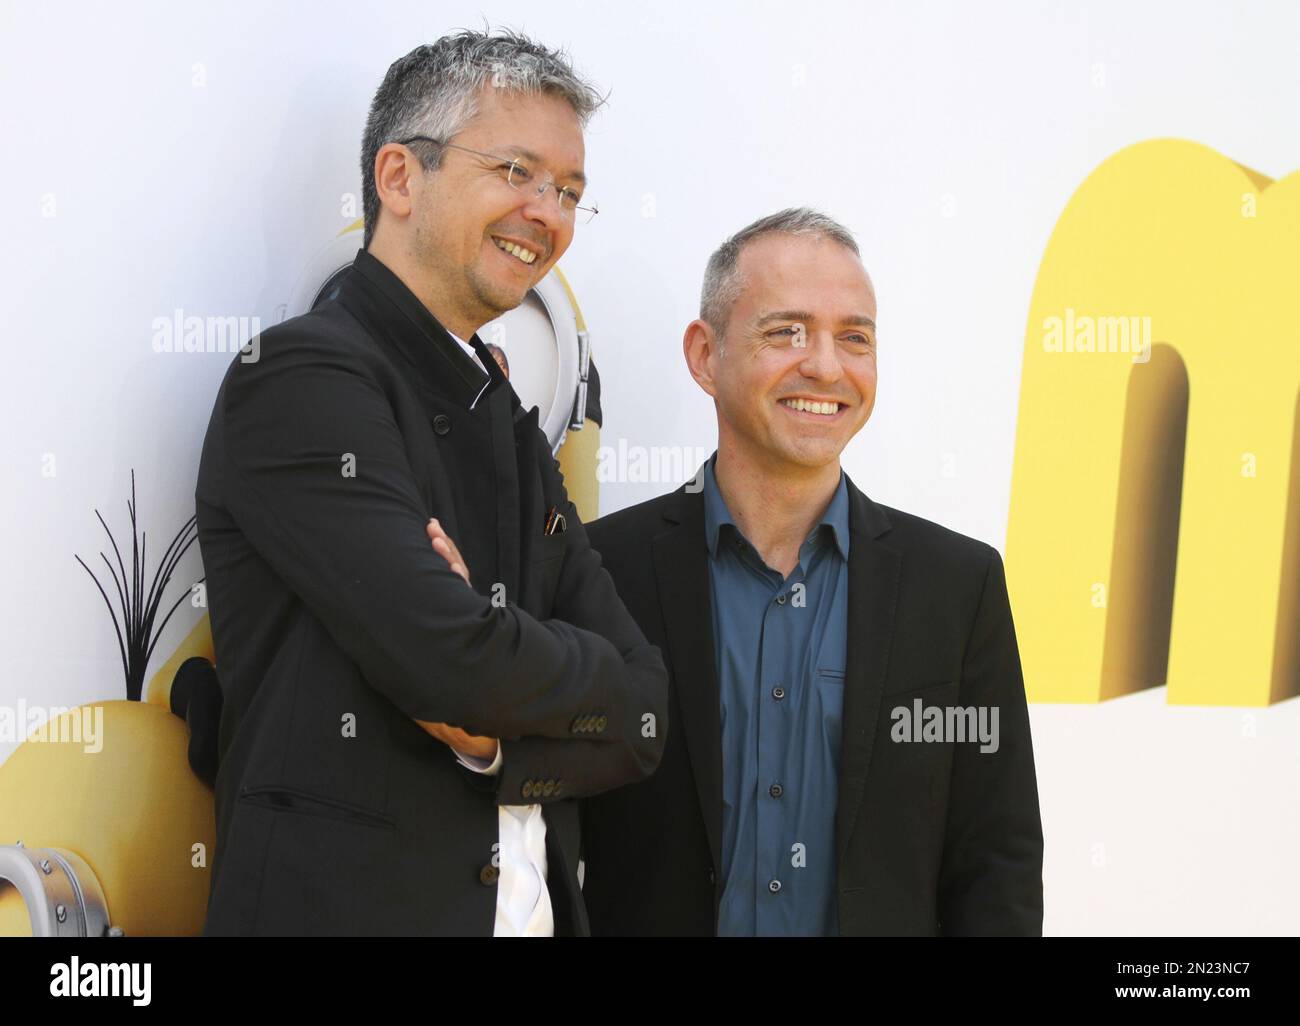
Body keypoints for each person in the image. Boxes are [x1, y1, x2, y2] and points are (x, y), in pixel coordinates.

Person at [195, 30, 667, 937]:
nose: (548, 212)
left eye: (569, 192)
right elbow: (447, 659)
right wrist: (502, 659)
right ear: (400, 178)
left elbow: (645, 710)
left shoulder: (509, 420)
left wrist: (496, 734)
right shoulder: (302, 378)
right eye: (518, 171)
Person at [580, 208, 1043, 936]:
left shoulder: (957, 588)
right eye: (787, 332)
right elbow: (547, 839)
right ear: (705, 355)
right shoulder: (600, 570)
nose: (827, 366)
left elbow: (997, 861)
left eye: (854, 337)